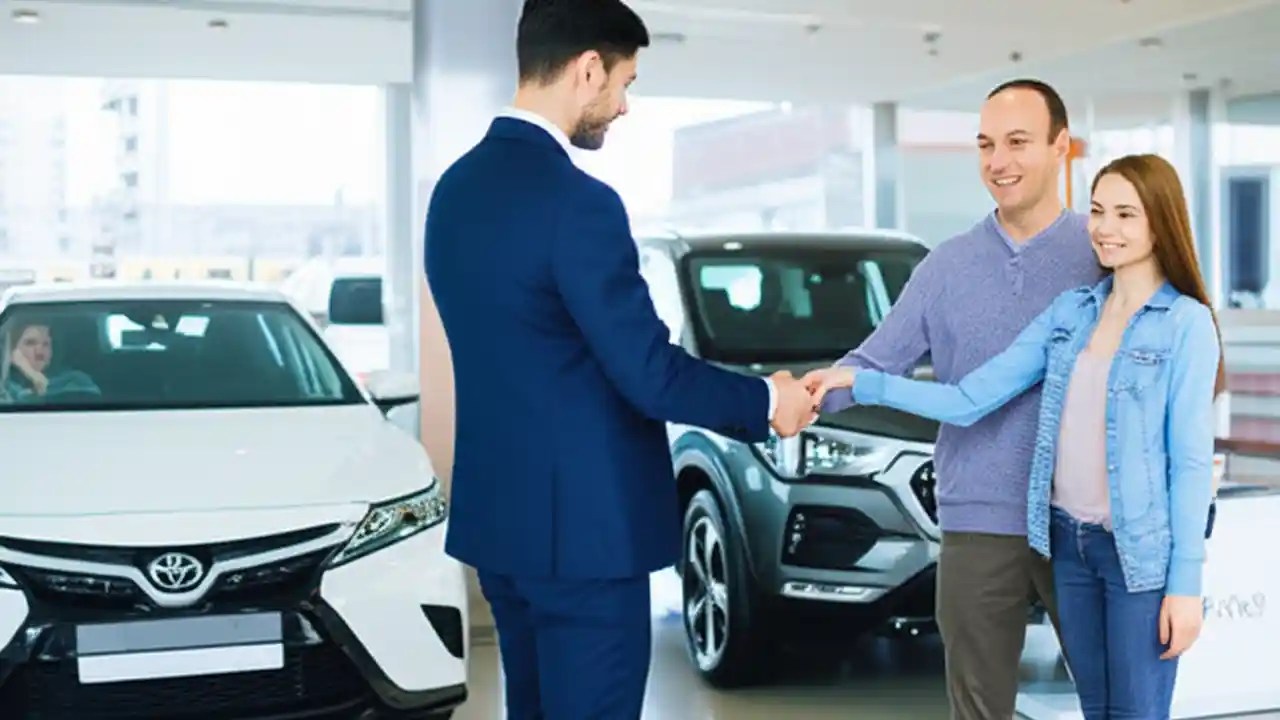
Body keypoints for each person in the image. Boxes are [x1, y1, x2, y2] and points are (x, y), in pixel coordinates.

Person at [422, 1, 815, 718]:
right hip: (586, 541)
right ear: (587, 68)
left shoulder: (453, 193)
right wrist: (768, 402)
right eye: (624, 83)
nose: (625, 106)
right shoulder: (579, 204)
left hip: (502, 529)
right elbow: (647, 372)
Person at [807, 152, 1219, 718]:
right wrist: (865, 383)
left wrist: (1185, 587)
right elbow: (969, 398)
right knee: (1098, 712)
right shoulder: (1072, 314)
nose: (1105, 228)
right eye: (1098, 211)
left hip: (1137, 556)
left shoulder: (1186, 324)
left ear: (1160, 223)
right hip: (1069, 546)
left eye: (1127, 214)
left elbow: (1192, 464)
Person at [810, 78, 1104, 719]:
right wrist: (795, 400)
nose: (998, 162)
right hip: (978, 520)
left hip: (1083, 518)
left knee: (1116, 702)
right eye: (985, 145)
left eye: (1018, 142)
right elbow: (871, 362)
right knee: (977, 710)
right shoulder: (946, 266)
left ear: (1063, 147)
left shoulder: (1101, 252)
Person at [3, 321, 99, 403]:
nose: (39, 352)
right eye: (30, 343)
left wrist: (36, 378)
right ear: (12, 350)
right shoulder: (5, 386)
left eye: (46, 344)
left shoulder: (75, 381)